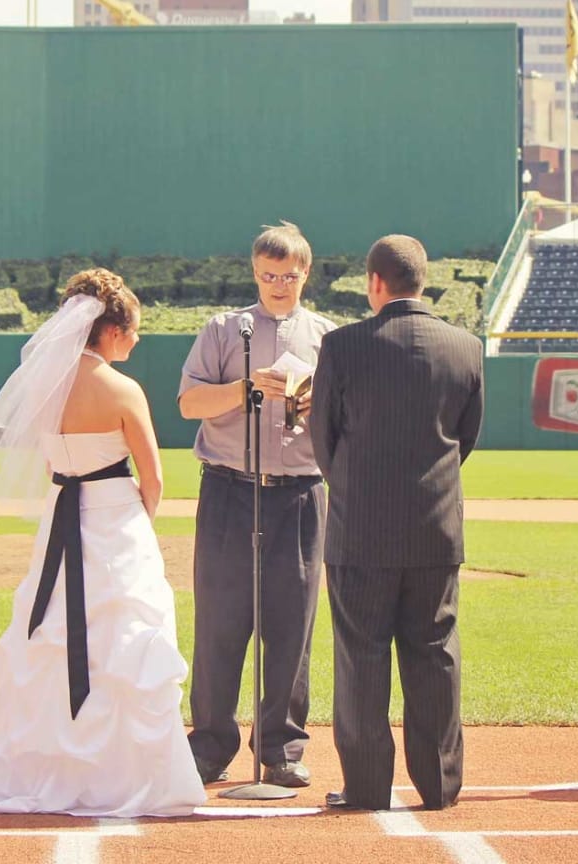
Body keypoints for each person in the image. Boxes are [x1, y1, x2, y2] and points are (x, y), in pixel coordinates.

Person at [0, 268, 205, 817]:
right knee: (125, 644)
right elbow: (153, 478)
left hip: (60, 519)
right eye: (133, 330)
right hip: (114, 520)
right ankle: (123, 775)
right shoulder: (122, 388)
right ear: (109, 331)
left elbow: (44, 458)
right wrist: (137, 522)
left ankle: (50, 766)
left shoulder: (44, 383)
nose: (136, 339)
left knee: (48, 639)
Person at [310, 234, 483, 811]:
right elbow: (465, 438)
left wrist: (355, 488)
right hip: (435, 528)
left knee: (361, 656)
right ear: (423, 281)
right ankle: (439, 784)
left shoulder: (342, 346)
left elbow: (323, 442)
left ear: (374, 283)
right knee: (434, 653)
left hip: (360, 529)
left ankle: (365, 787)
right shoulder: (465, 347)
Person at [178, 221, 336, 788]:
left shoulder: (327, 335)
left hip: (298, 492)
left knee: (292, 625)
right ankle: (210, 744)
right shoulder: (224, 330)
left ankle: (282, 748)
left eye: (289, 276)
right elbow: (190, 402)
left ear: (306, 274)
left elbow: (348, 422)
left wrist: (319, 403)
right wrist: (247, 387)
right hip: (228, 488)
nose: (278, 285)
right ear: (254, 272)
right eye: (269, 275)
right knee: (219, 620)